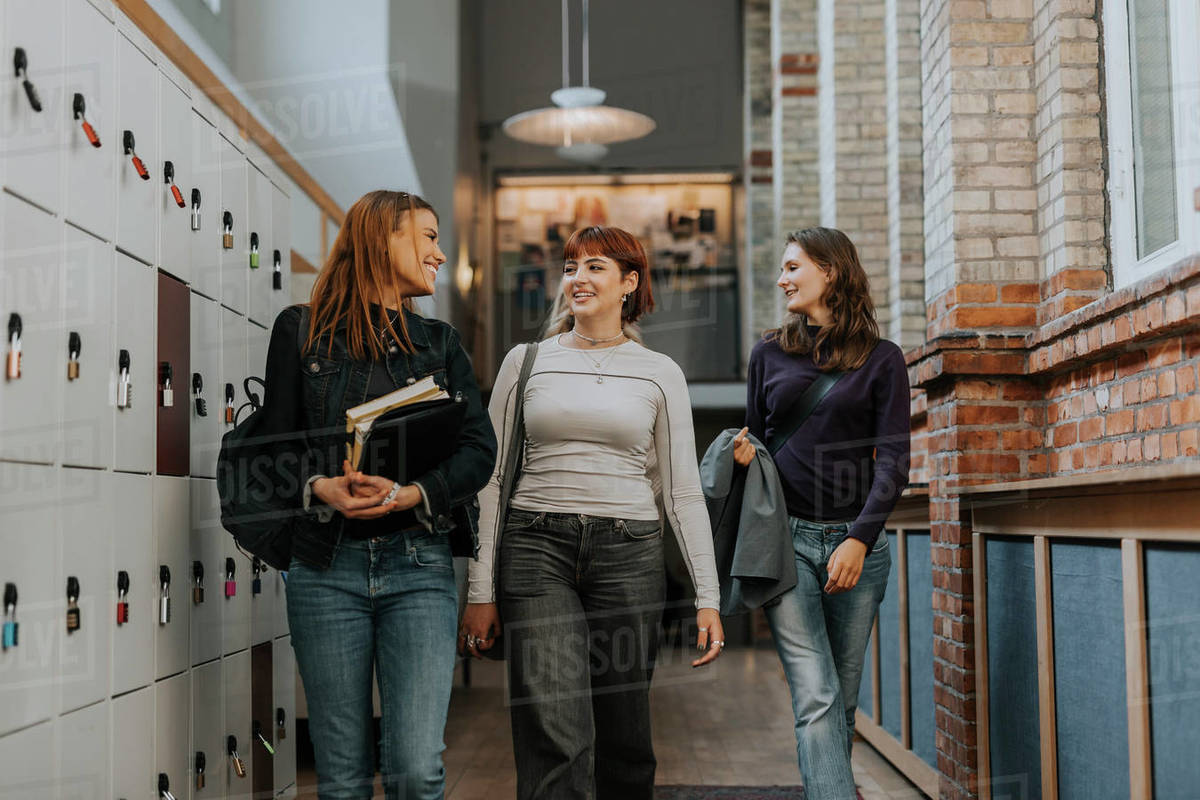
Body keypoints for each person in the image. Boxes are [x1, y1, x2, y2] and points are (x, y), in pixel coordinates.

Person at [460, 225, 725, 800]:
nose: (578, 278)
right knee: (553, 725)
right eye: (571, 267)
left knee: (625, 730)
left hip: (630, 553)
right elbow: (492, 478)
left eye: (595, 266)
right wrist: (480, 590)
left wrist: (708, 596)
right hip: (536, 548)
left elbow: (681, 492)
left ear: (630, 282)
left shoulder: (660, 373)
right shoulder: (524, 362)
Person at [259, 190, 497, 799]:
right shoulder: (300, 331)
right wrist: (320, 486)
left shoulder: (440, 343)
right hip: (324, 566)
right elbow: (273, 446)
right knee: (341, 779)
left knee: (417, 770)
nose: (440, 255)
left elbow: (479, 450)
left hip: (418, 566)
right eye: (428, 237)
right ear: (381, 240)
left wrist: (414, 492)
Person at [732, 227, 910, 799]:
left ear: (830, 272)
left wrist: (858, 540)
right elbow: (759, 442)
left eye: (792, 267)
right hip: (787, 544)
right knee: (817, 695)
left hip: (858, 549)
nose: (782, 278)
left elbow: (894, 463)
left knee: (842, 700)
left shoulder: (883, 361)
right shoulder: (769, 352)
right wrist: (743, 455)